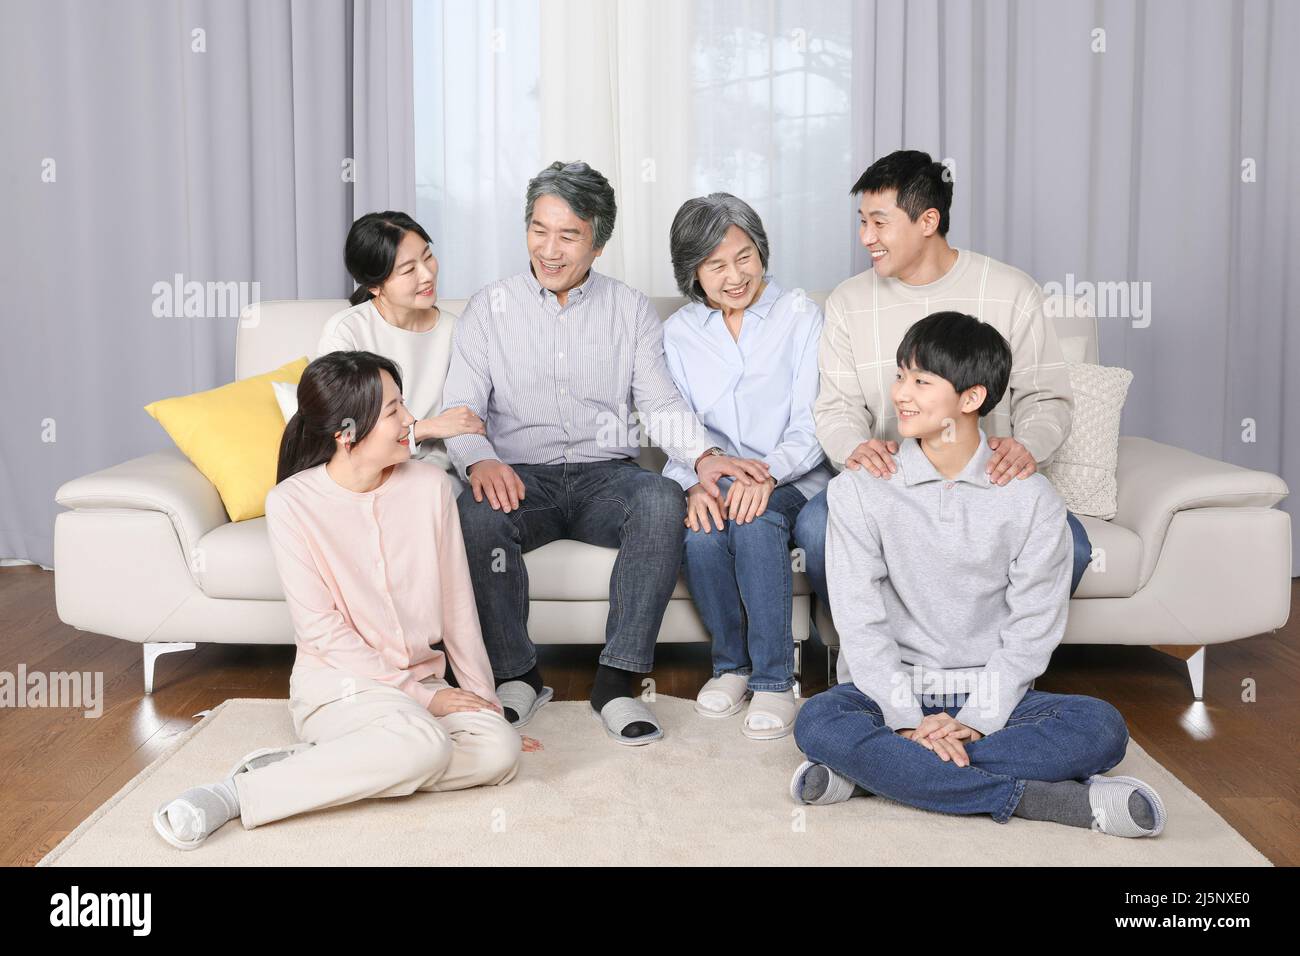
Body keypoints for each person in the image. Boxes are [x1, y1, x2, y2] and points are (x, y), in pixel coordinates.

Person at [790, 312, 1165, 838]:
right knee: (817, 722)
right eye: (901, 376)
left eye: (921, 381)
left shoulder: (1031, 499)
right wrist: (902, 718)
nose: (901, 393)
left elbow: (1032, 629)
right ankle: (1046, 800)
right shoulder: (861, 489)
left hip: (990, 697)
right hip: (886, 694)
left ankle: (879, 773)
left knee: (1102, 729)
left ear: (971, 399)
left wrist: (974, 720)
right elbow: (859, 619)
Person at [440, 161, 770, 745]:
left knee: (661, 500)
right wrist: (479, 460)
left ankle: (617, 681)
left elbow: (659, 400)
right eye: (538, 230)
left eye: (568, 236)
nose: (550, 249)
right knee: (473, 514)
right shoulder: (488, 308)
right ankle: (517, 675)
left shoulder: (631, 309)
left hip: (605, 479)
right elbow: (462, 408)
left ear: (598, 241)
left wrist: (704, 456)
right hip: (520, 476)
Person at [152, 351, 531, 850]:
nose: (411, 422)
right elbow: (320, 632)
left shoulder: (432, 488)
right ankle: (237, 794)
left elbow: (459, 609)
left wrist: (482, 704)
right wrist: (424, 698)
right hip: (341, 688)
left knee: (499, 751)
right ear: (346, 433)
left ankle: (317, 764)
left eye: (404, 405)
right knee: (424, 743)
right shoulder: (291, 503)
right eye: (394, 411)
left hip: (420, 682)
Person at [794, 150, 1094, 616]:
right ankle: (892, 656)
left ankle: (985, 664)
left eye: (879, 223)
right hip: (889, 483)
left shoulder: (1011, 290)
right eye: (862, 222)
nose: (865, 238)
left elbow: (1046, 397)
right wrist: (853, 446)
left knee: (1071, 547)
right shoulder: (848, 301)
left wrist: (1027, 447)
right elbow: (835, 407)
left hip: (984, 481)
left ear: (928, 220)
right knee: (815, 531)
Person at [662, 193, 832, 739]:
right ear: (693, 271)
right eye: (715, 265)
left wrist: (766, 476)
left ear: (761, 251)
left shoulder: (801, 314)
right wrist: (695, 481)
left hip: (791, 472)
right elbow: (676, 425)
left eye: (744, 257)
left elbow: (811, 425)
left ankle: (777, 681)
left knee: (754, 519)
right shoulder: (680, 332)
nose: (735, 276)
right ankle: (730, 669)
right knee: (703, 533)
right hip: (713, 474)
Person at [318, 211, 485, 494]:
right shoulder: (347, 332)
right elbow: (343, 433)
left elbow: (470, 417)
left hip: (434, 475)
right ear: (374, 287)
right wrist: (426, 428)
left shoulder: (455, 330)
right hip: (365, 475)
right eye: (408, 270)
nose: (427, 274)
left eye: (428, 256)